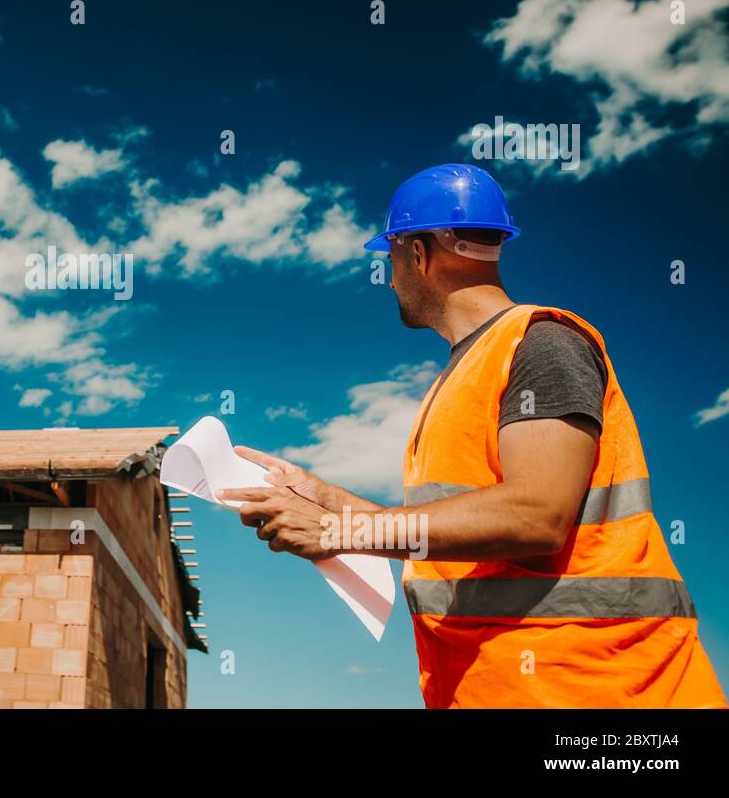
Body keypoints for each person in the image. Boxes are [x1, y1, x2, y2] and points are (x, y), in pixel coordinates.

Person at [224, 163, 726, 708]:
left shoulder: (539, 342)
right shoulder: (460, 376)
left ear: (417, 254)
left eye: (391, 258)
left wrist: (336, 529)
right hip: (510, 689)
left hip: (597, 695)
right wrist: (330, 500)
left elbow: (536, 516)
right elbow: (455, 527)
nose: (390, 278)